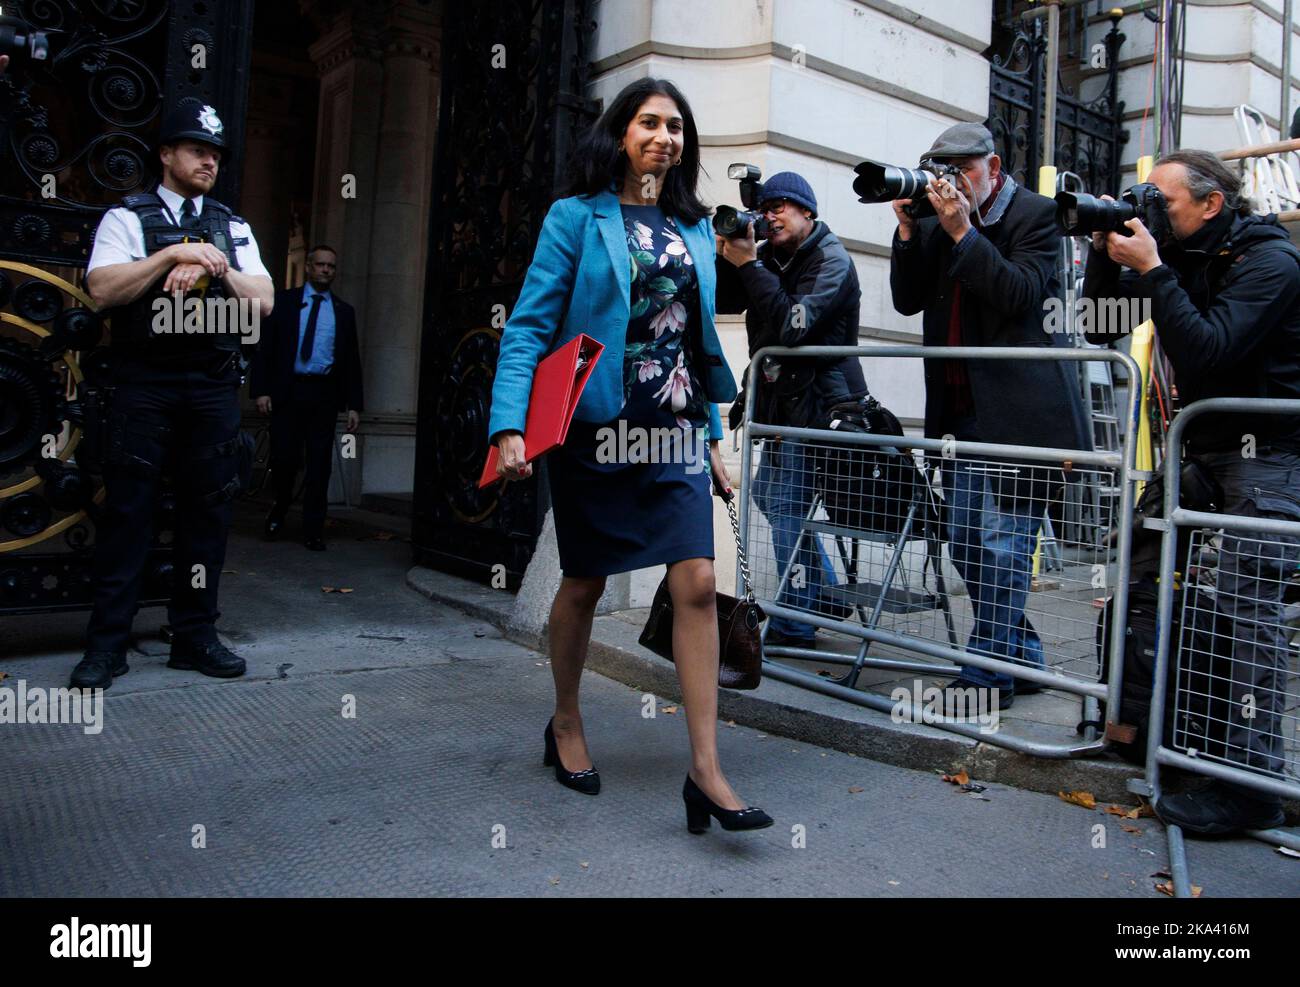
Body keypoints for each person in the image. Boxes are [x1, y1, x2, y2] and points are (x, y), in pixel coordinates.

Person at [488, 77, 772, 834]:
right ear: (621, 133)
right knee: (583, 582)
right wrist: (507, 424)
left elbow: (694, 340)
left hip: (673, 428)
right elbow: (527, 328)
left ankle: (706, 770)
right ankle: (566, 718)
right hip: (595, 428)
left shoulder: (695, 230)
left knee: (700, 583)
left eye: (676, 126)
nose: (665, 136)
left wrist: (713, 438)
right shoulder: (575, 219)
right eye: (649, 122)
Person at [1082, 149, 1300, 836]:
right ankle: (1151, 724)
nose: (1153, 210)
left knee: (1248, 612)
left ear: (1211, 203)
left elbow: (1208, 350)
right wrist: (1104, 252)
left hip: (1266, 458)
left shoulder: (1270, 264)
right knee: (1141, 564)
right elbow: (1102, 326)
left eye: (1162, 200)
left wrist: (1152, 269)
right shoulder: (1182, 255)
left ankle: (1253, 781)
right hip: (1202, 452)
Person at [70, 102, 274, 689]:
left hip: (210, 385)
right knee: (128, 513)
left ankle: (194, 635)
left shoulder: (232, 227)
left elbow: (261, 303)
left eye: (216, 153)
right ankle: (107, 644)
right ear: (166, 155)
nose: (210, 160)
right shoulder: (127, 218)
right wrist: (173, 253)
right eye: (196, 150)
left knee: (206, 515)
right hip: (144, 385)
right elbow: (104, 289)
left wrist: (214, 264)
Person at [889, 122, 1090, 712]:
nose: (951, 183)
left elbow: (1021, 294)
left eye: (963, 170)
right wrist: (908, 231)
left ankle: (985, 677)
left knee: (1003, 544)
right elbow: (907, 298)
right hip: (958, 412)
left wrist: (960, 231)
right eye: (941, 171)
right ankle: (1022, 657)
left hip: (1021, 415)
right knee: (967, 543)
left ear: (993, 165)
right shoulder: (933, 215)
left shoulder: (1036, 215)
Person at [715, 171, 867, 648]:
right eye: (767, 207)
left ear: (808, 211)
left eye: (782, 205)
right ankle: (818, 594)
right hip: (783, 400)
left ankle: (793, 623)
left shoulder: (831, 259)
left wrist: (752, 267)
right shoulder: (772, 257)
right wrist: (732, 258)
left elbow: (794, 327)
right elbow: (723, 299)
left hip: (823, 402)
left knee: (786, 508)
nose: (771, 215)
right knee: (769, 497)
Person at [251, 244, 363, 550]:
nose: (326, 270)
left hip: (324, 395)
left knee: (319, 464)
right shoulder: (284, 303)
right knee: (284, 458)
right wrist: (261, 390)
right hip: (288, 392)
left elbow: (351, 359)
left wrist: (354, 405)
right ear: (309, 267)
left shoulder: (343, 311)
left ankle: (314, 527)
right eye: (321, 265)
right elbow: (266, 348)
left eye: (331, 266)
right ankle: (280, 506)